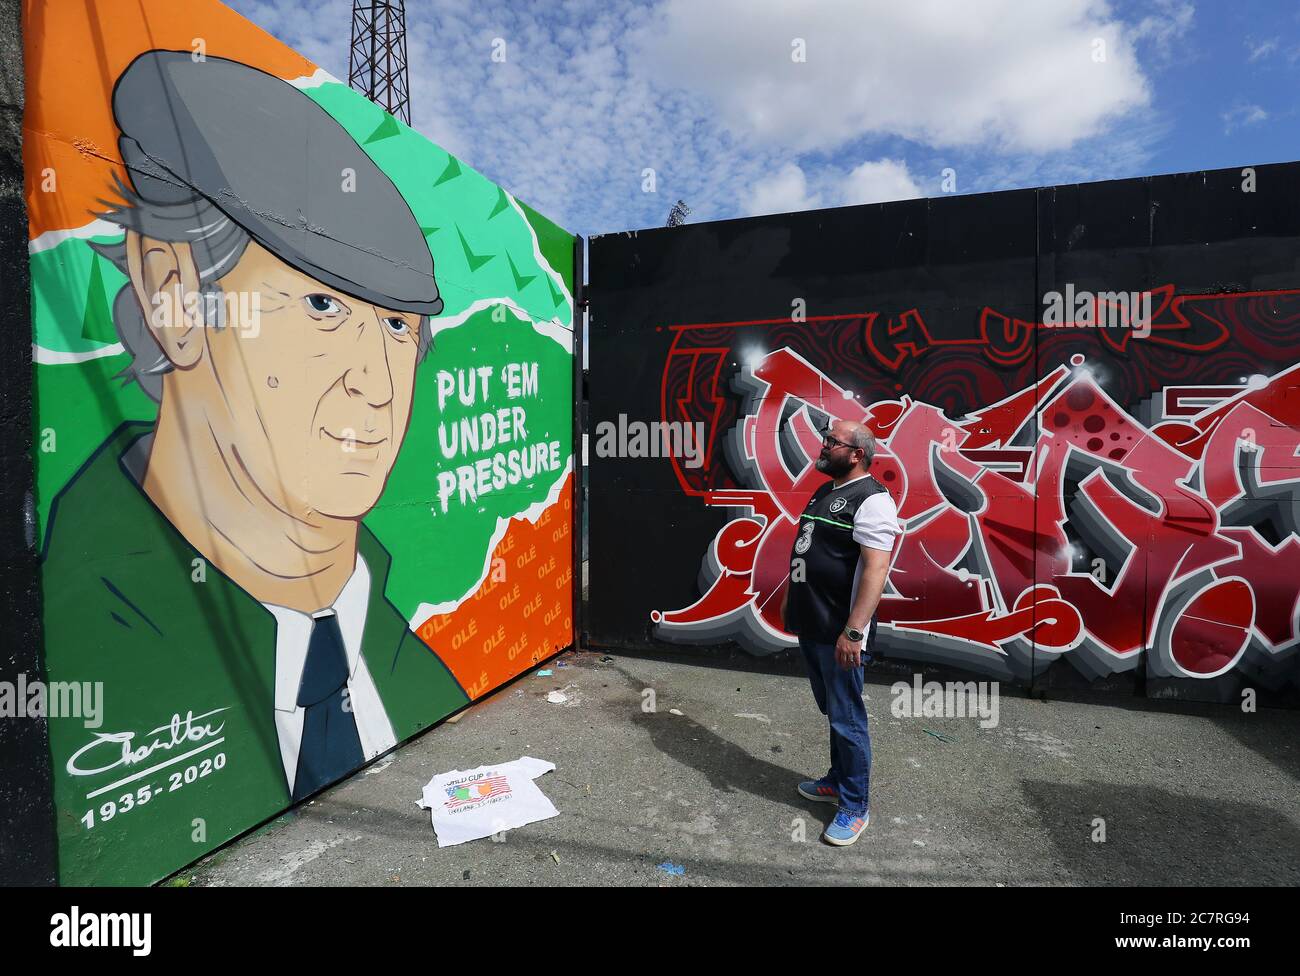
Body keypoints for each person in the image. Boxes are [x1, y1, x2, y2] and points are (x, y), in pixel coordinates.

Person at [40, 51, 466, 883]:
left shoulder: (421, 676)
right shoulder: (89, 654)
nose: (376, 387)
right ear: (172, 297)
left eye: (396, 330)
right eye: (321, 306)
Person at [781, 419, 901, 846]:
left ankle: (854, 806)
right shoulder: (826, 490)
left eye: (833, 441)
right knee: (834, 711)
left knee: (848, 718)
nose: (824, 444)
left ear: (857, 454)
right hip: (813, 627)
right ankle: (836, 780)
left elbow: (876, 569)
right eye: (826, 437)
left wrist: (853, 633)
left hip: (841, 635)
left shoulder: (873, 500)